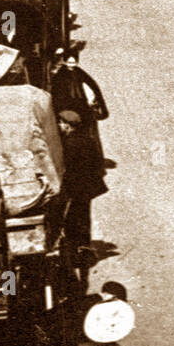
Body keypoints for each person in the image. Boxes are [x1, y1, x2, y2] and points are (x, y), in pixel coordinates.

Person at [57, 107, 108, 255]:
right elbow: (98, 162)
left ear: (67, 125)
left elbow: (67, 167)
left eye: (61, 123)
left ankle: (74, 248)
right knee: (84, 216)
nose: (60, 126)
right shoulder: (88, 139)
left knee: (72, 217)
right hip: (88, 187)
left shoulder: (68, 143)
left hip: (75, 187)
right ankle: (84, 244)